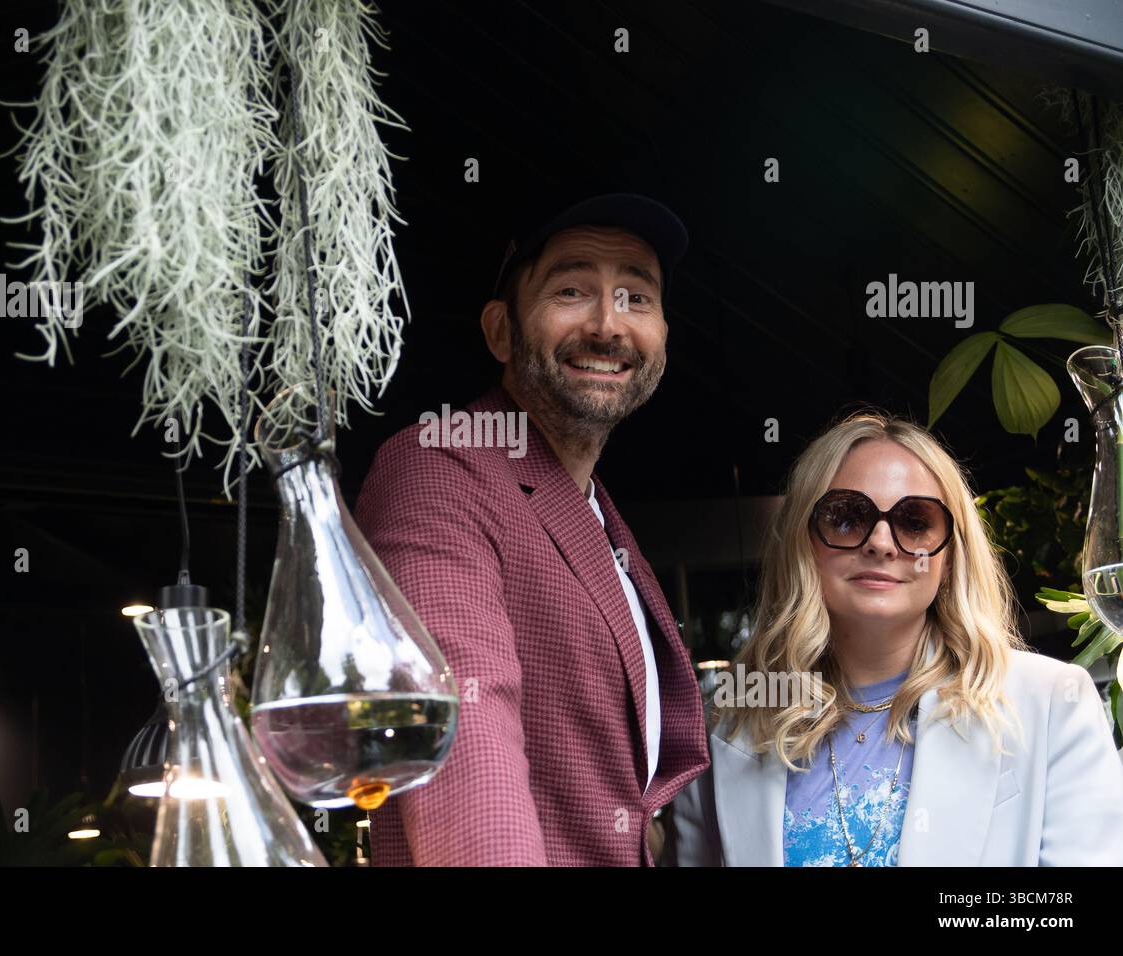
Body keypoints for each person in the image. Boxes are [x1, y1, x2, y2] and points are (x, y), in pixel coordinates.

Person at [353, 193, 709, 865]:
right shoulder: (439, 466)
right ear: (500, 332)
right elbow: (465, 736)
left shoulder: (597, 510)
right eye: (571, 290)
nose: (610, 325)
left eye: (638, 297)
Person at [674, 410, 1123, 866]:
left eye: (914, 521)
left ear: (950, 556)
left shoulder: (1050, 703)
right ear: (803, 543)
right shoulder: (728, 723)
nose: (882, 543)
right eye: (847, 517)